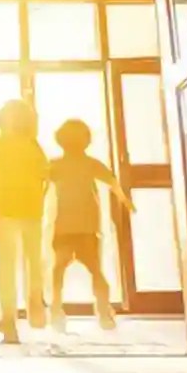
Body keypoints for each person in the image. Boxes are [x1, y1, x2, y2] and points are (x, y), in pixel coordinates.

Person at [0, 99, 49, 344]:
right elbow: (44, 174)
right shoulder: (33, 145)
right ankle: (35, 301)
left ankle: (8, 319)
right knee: (33, 261)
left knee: (7, 265)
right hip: (32, 209)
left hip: (5, 210)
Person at [47, 119, 134, 333]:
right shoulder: (87, 163)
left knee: (60, 270)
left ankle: (58, 311)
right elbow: (113, 182)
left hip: (68, 227)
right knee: (93, 270)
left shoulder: (58, 164)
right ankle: (102, 313)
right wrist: (126, 201)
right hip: (81, 227)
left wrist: (125, 200)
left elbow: (38, 185)